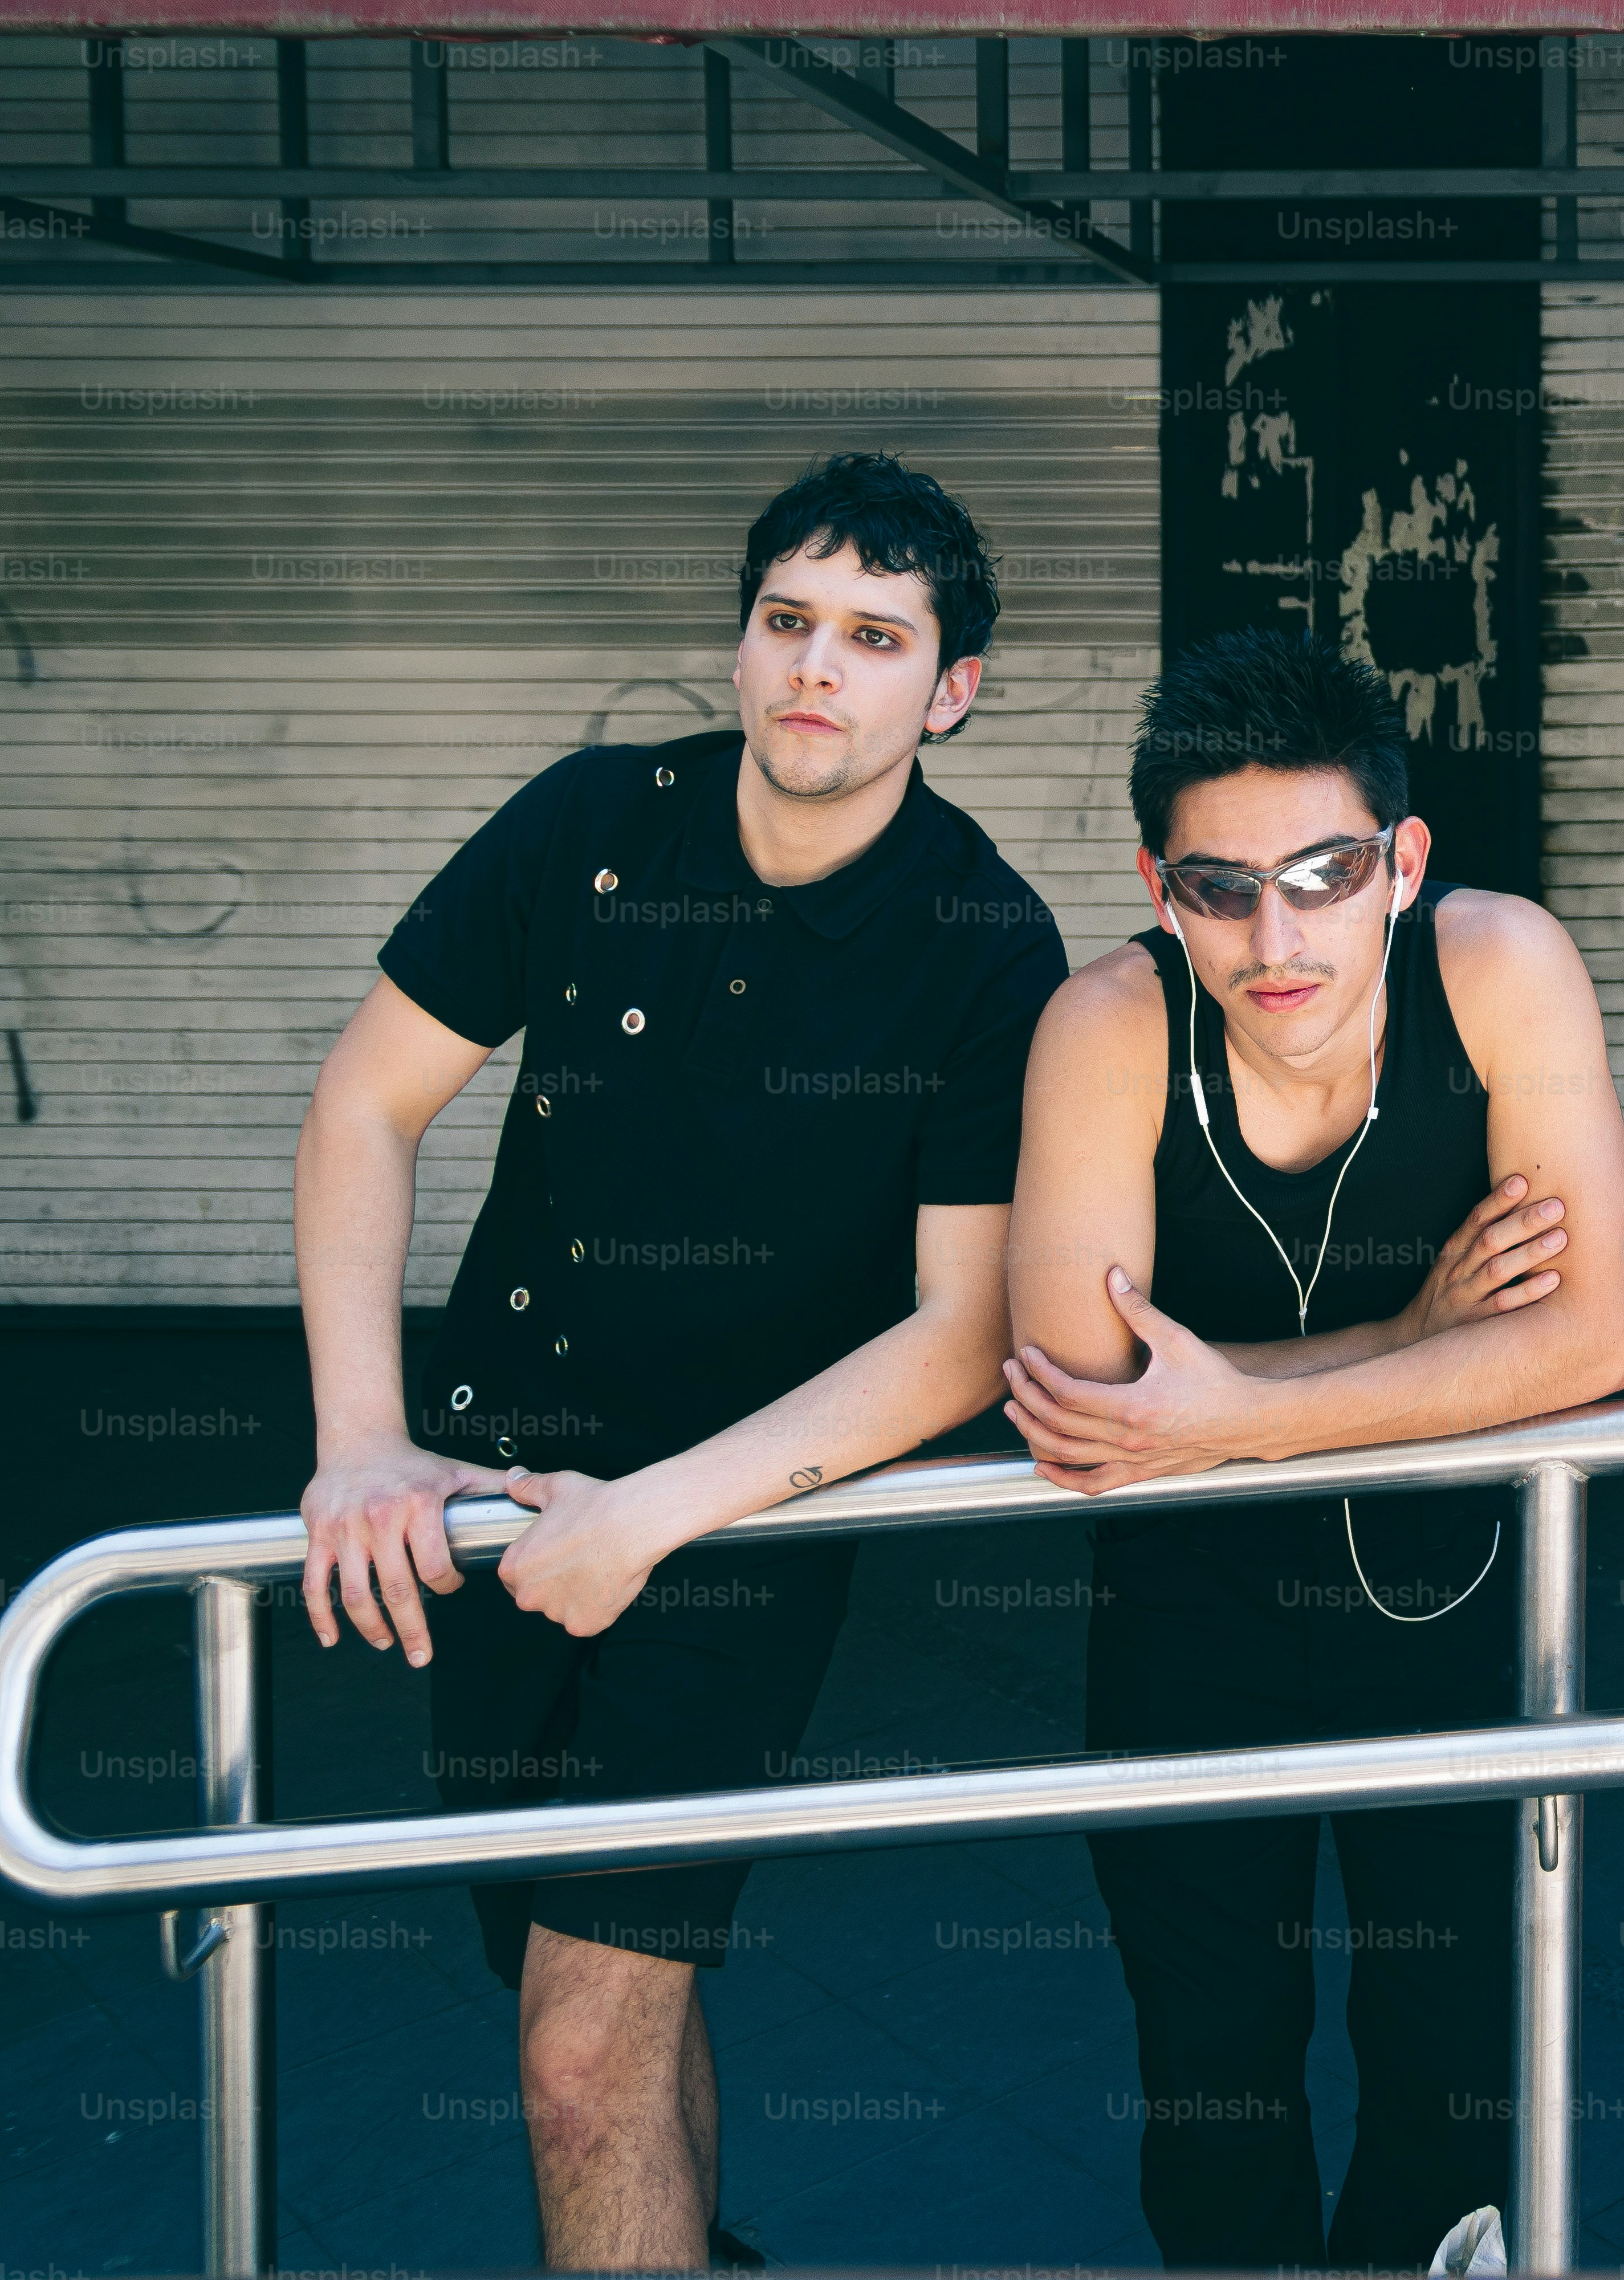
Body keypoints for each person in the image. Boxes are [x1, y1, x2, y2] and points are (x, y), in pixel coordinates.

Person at [291, 453, 1071, 2269]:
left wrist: (657, 1516)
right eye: (790, 620)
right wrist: (364, 1442)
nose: (819, 667)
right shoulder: (585, 824)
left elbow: (964, 1333)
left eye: (877, 638)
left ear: (948, 692)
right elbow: (365, 1101)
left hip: (736, 1529)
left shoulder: (983, 944)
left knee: (575, 2054)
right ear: (741, 642)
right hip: (486, 1496)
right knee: (578, 1996)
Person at [998, 628, 1624, 2267]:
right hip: (1186, 1623)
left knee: (1455, 2082)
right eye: (1220, 889)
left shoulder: (1496, 967)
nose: (1276, 937)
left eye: (1324, 874)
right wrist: (1423, 1334)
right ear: (1159, 886)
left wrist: (1245, 1413)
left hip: (1455, 1613)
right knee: (1214, 2083)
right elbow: (1090, 1397)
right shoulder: (1107, 1026)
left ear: (1402, 863)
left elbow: (1594, 1339)